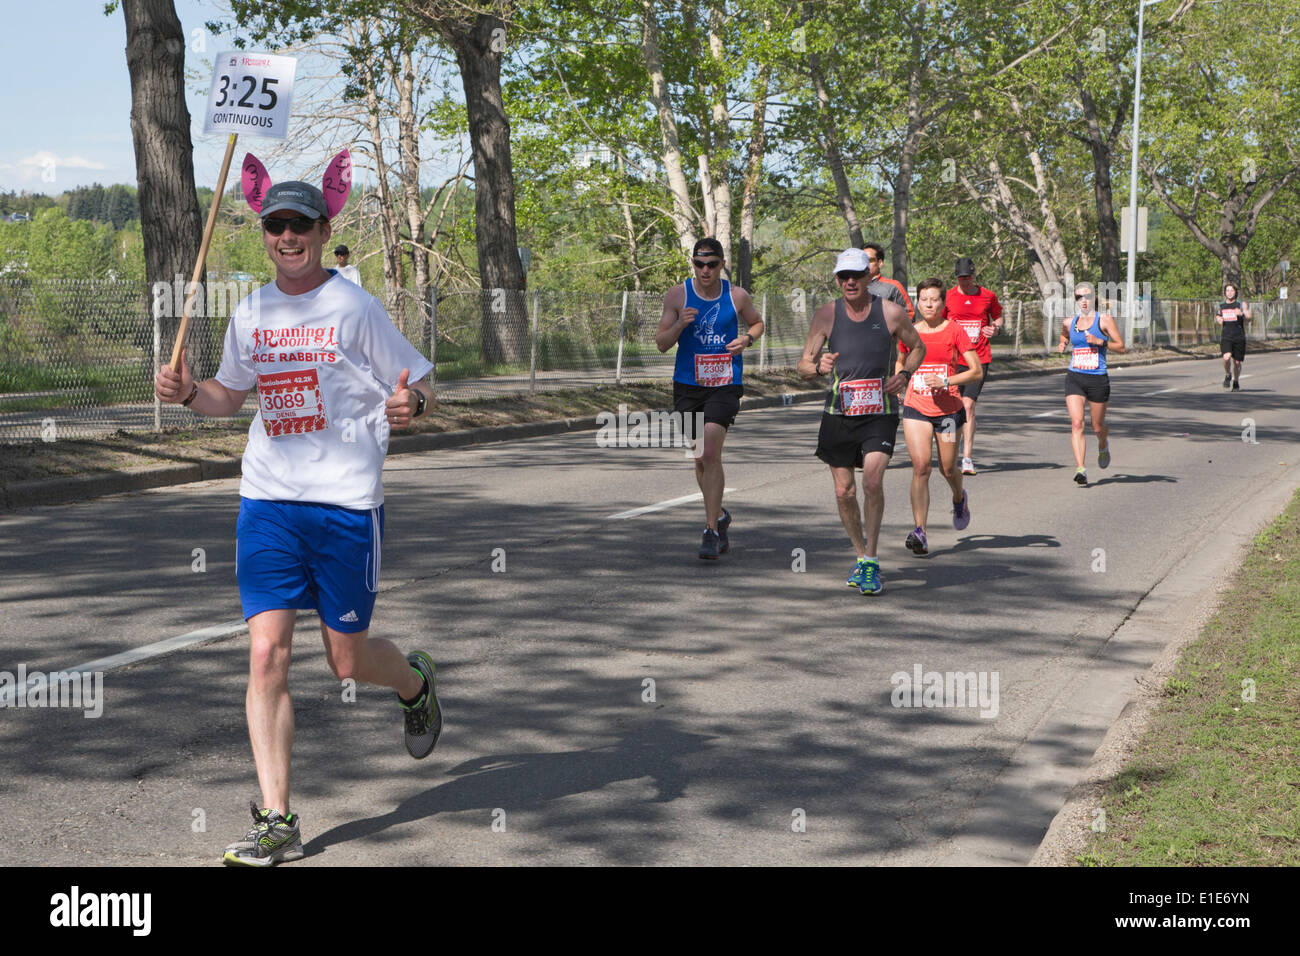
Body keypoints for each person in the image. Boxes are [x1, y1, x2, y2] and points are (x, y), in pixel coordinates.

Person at [155, 151, 442, 866]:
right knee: (265, 655)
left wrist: (412, 404)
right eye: (275, 224)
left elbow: (423, 383)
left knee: (346, 663)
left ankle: (412, 682)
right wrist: (192, 394)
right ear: (264, 231)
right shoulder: (250, 311)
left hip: (345, 505)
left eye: (300, 224)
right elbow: (230, 395)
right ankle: (276, 817)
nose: (288, 236)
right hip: (269, 502)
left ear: (322, 227)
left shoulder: (353, 305)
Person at [798, 248, 924, 595]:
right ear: (837, 279)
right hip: (839, 414)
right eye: (843, 276)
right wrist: (817, 367)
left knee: (870, 482)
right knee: (844, 490)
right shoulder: (826, 314)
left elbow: (918, 346)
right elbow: (804, 364)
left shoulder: (891, 312)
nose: (850, 281)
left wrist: (905, 374)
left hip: (879, 413)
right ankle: (859, 554)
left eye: (856, 274)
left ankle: (870, 560)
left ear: (869, 275)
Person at [655, 238, 765, 559]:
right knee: (699, 456)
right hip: (688, 385)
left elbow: (757, 323)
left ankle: (709, 531)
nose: (705, 270)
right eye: (699, 264)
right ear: (693, 264)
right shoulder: (678, 295)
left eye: (712, 264)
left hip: (725, 383)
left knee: (711, 449)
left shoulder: (736, 295)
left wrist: (746, 338)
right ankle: (718, 515)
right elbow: (661, 343)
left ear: (721, 264)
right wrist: (680, 323)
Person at [895, 277, 980, 555]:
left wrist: (946, 381)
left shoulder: (954, 330)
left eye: (934, 299)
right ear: (917, 302)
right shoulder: (909, 330)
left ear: (944, 303)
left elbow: (976, 371)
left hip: (947, 409)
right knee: (921, 467)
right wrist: (899, 380)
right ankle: (920, 531)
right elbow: (901, 359)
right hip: (916, 405)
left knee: (947, 468)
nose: (928, 304)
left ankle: (959, 498)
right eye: (923, 299)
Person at [1058, 280, 1125, 486]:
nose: (1083, 301)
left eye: (1087, 296)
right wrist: (1062, 343)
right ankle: (1081, 469)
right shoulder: (1070, 322)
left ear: (1094, 298)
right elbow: (1064, 334)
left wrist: (1100, 342)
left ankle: (1103, 444)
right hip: (1075, 377)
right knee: (1077, 423)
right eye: (1079, 297)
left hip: (1097, 378)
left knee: (1097, 427)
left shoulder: (1103, 320)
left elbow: (1121, 347)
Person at [946, 257, 1003, 476]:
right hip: (953, 359)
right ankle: (950, 450)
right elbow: (939, 323)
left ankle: (967, 458)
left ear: (974, 275)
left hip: (978, 358)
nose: (965, 282)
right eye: (961, 278)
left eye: (968, 277)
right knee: (952, 406)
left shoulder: (987, 295)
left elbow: (998, 317)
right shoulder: (948, 297)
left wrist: (995, 329)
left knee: (968, 405)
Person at [862, 241, 914, 320]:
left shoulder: (893, 287)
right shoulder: (852, 286)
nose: (865, 263)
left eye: (870, 260)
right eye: (863, 260)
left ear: (880, 263)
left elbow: (910, 315)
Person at [1215, 282, 1251, 390]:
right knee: (1226, 357)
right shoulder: (1221, 305)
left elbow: (1249, 317)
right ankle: (1227, 374)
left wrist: (1242, 314)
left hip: (1238, 336)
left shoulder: (1241, 304)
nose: (1229, 293)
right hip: (1226, 336)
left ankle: (1236, 381)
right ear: (1225, 292)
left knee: (1237, 361)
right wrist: (1219, 319)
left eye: (1232, 290)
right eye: (1227, 290)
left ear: (1235, 292)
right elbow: (1218, 316)